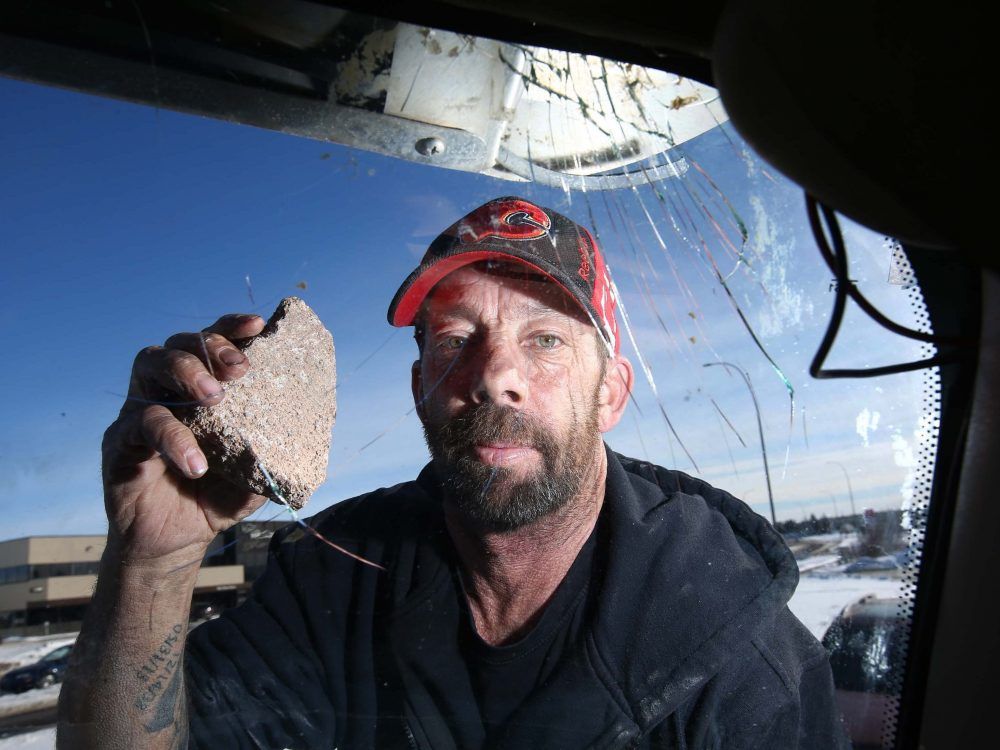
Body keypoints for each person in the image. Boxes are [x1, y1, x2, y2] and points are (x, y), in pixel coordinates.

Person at [58, 197, 849, 749]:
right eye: (454, 338)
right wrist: (151, 561)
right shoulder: (333, 578)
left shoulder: (744, 667)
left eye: (545, 341)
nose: (494, 373)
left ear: (610, 395)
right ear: (420, 389)